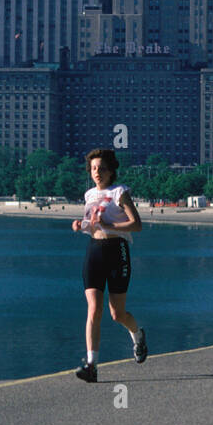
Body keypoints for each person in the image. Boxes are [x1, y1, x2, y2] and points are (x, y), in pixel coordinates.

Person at [72, 148, 146, 383]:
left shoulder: (119, 192)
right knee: (94, 309)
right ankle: (91, 365)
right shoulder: (89, 195)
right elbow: (93, 225)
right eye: (93, 168)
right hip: (94, 251)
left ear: (111, 170)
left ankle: (137, 334)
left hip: (117, 252)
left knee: (117, 314)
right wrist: (80, 225)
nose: (97, 173)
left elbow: (136, 225)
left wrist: (109, 225)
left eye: (102, 168)